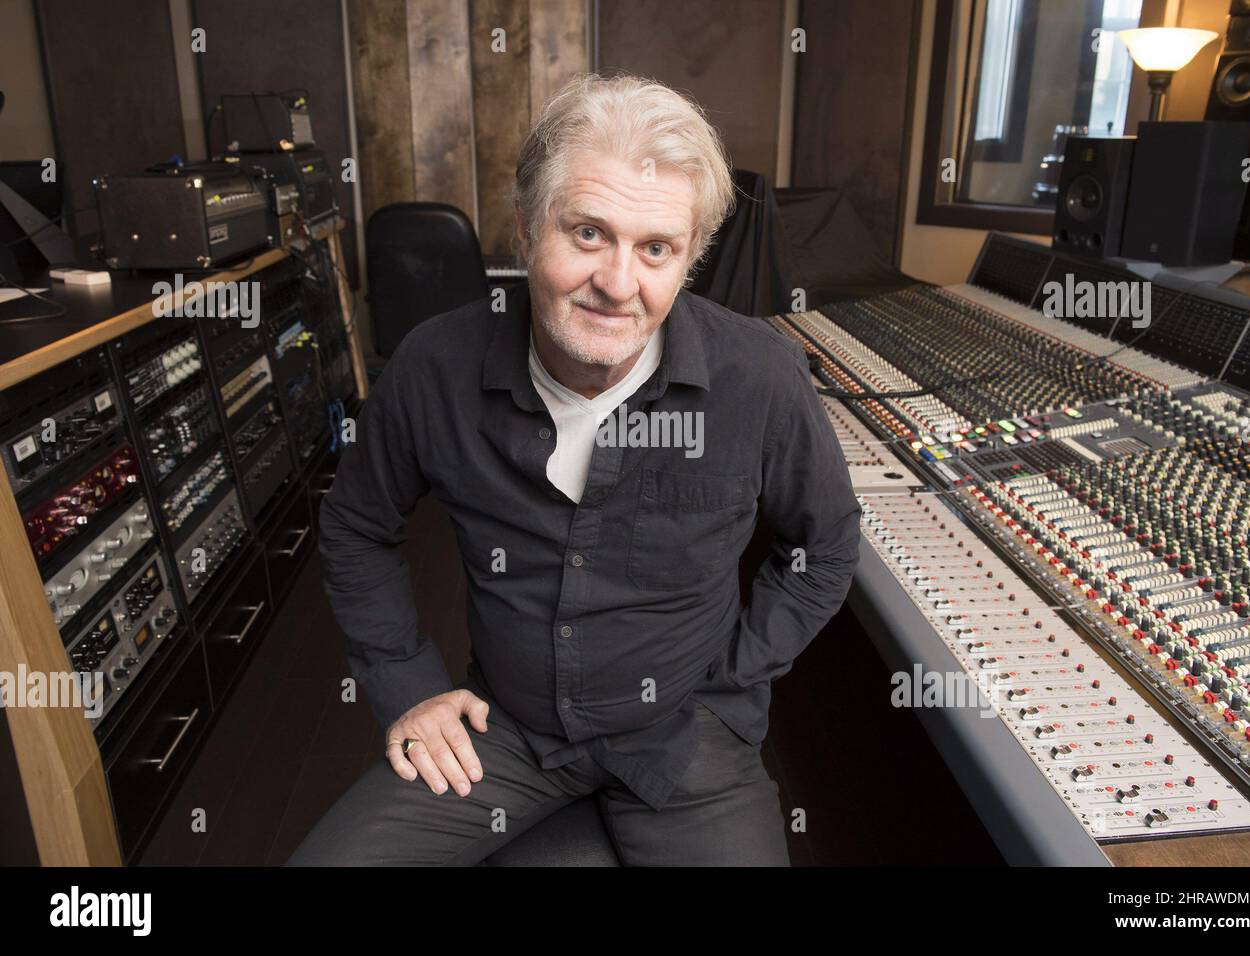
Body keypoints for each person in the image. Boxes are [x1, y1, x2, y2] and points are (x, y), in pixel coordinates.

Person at [287, 73, 861, 866]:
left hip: (687, 739)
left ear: (689, 260)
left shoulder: (760, 376)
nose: (619, 284)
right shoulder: (431, 366)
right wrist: (408, 687)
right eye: (588, 233)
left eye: (656, 248)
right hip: (504, 734)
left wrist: (732, 689)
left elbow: (825, 545)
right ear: (525, 231)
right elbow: (355, 525)